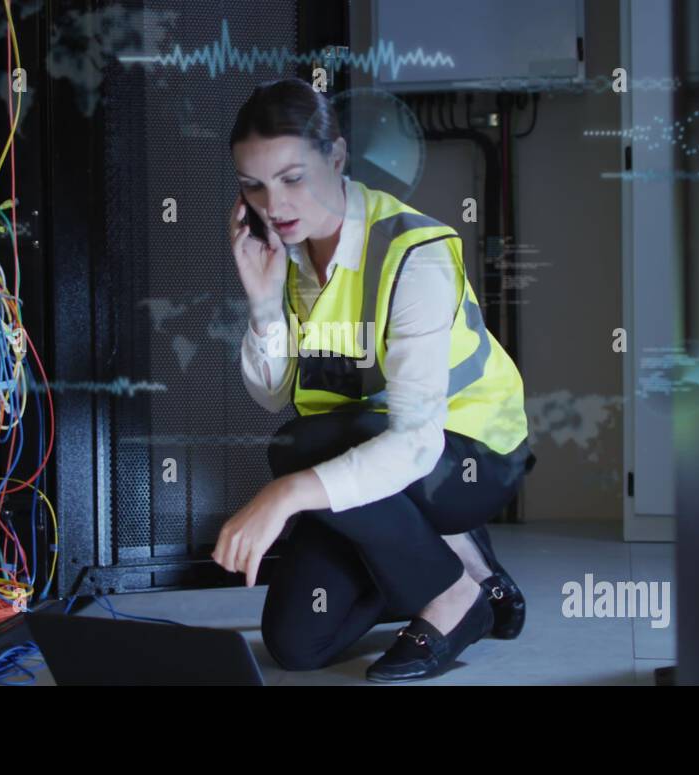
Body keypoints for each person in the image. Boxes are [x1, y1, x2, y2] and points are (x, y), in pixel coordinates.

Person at [212, 77, 536, 682]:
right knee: (296, 643)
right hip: (374, 458)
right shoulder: (286, 250)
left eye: (291, 177)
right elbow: (274, 394)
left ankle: (455, 597)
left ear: (335, 156)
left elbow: (414, 442)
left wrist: (284, 497)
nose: (271, 204)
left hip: (468, 454)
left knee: (302, 447)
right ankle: (470, 570)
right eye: (252, 184)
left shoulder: (415, 253)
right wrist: (261, 303)